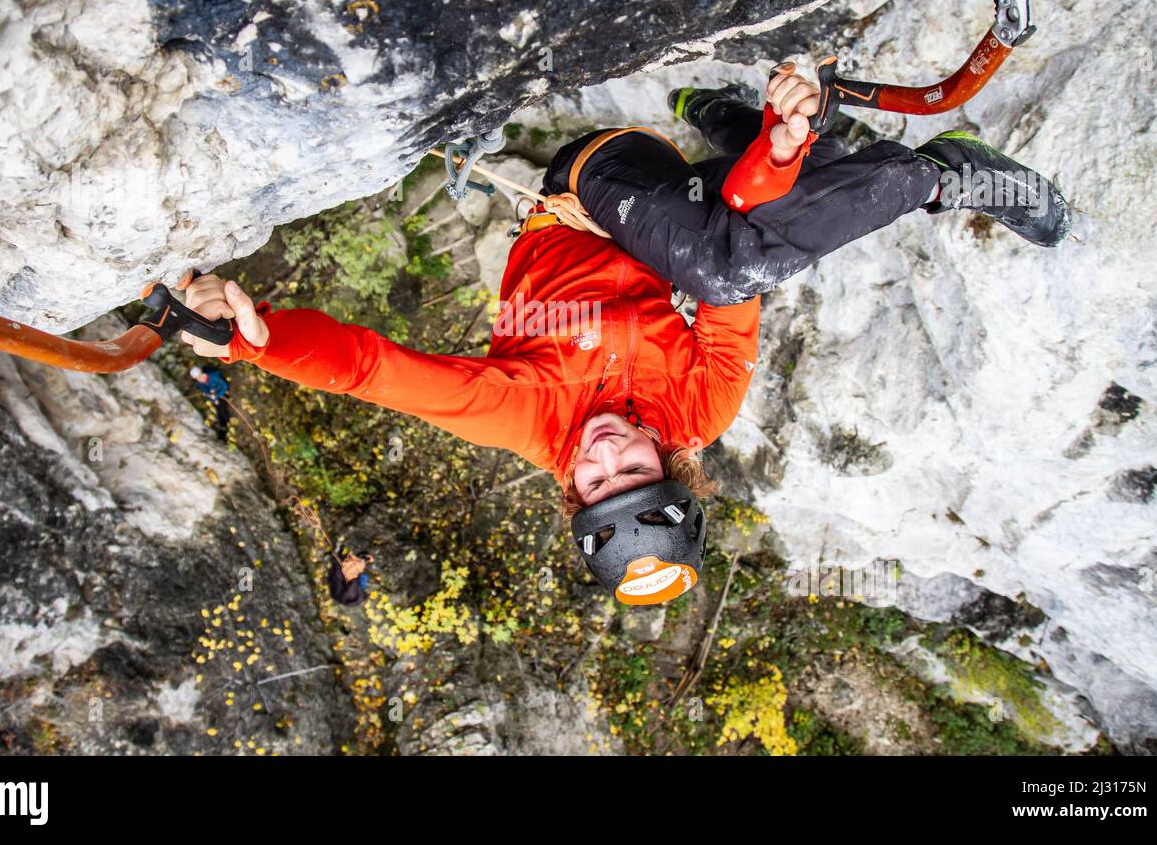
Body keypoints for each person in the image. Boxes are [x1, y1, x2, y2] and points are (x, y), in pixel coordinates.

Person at [179, 64, 1066, 606]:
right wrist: (779, 165)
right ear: (668, 466)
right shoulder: (699, 409)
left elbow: (377, 371)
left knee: (757, 231)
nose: (606, 456)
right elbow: (736, 287)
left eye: (594, 484)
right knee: (756, 235)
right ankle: (737, 124)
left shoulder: (521, 418)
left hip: (591, 183)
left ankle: (936, 176)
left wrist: (257, 341)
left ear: (572, 495)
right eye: (632, 472)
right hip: (674, 215)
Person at [189, 364, 231, 442]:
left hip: (222, 392)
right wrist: (210, 395)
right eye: (197, 378)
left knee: (222, 409)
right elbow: (205, 390)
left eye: (200, 376)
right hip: (215, 395)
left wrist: (217, 395)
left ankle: (225, 423)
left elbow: (224, 386)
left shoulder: (213, 376)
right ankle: (223, 426)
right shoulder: (200, 382)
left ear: (202, 372)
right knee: (219, 409)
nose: (200, 378)